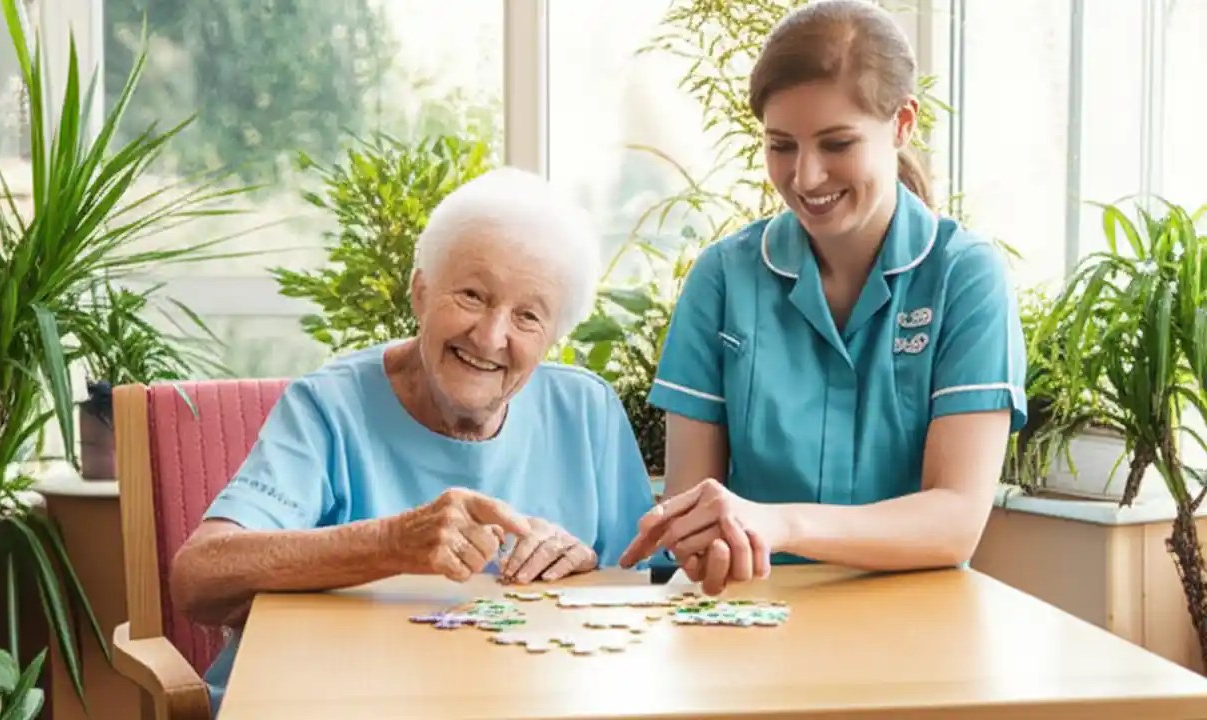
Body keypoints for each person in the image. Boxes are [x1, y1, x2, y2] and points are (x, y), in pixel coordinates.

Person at [171, 167, 655, 714]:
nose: (491, 337)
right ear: (420, 291)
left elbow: (642, 589)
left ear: (553, 338)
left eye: (527, 316)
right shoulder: (328, 407)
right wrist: (392, 544)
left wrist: (585, 562)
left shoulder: (587, 410)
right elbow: (200, 577)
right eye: (472, 295)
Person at [619, 0, 1027, 594]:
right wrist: (698, 542)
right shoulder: (722, 277)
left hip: (918, 628)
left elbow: (955, 523)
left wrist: (780, 523)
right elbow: (695, 521)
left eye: (837, 144)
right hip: (748, 620)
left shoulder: (965, 276)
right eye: (781, 145)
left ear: (902, 123)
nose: (805, 177)